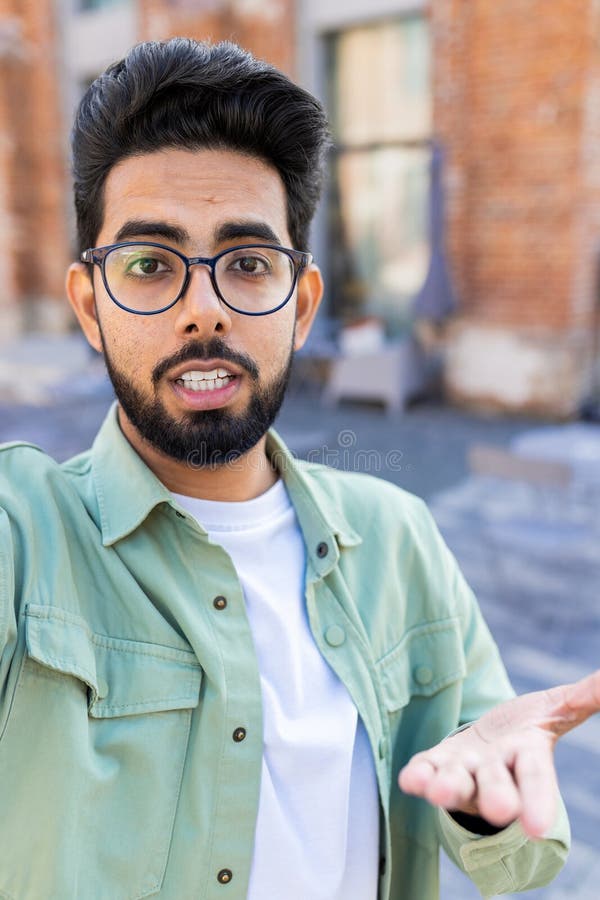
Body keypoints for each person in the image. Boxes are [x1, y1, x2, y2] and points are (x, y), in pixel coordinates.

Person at [0, 37, 597, 900]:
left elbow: (516, 844)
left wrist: (488, 804)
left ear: (303, 305)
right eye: (148, 265)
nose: (202, 310)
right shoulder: (24, 535)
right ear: (90, 310)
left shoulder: (399, 539)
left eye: (246, 264)